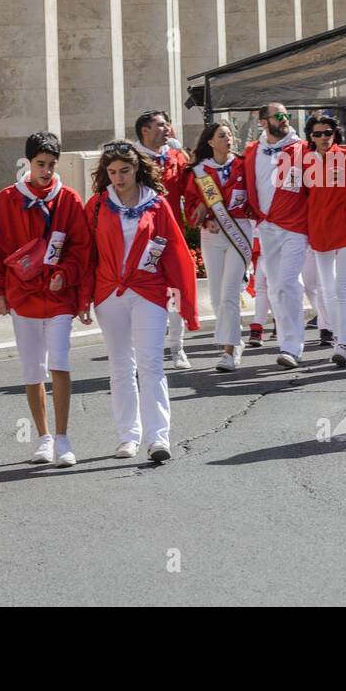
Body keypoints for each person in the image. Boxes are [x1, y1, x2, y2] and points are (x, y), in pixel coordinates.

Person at [0, 131, 90, 467]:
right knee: (32, 370)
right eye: (40, 164)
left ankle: (63, 438)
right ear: (28, 163)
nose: (46, 170)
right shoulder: (6, 200)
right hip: (23, 298)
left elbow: (82, 249)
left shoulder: (69, 200)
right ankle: (42, 438)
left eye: (52, 164)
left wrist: (66, 276)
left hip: (57, 299)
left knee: (60, 362)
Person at [84, 141, 199, 462]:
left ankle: (158, 438)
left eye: (124, 170)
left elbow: (176, 253)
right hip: (109, 294)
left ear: (137, 169)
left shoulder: (157, 205)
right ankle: (127, 436)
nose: (118, 178)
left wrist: (186, 302)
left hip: (149, 291)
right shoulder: (96, 205)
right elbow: (85, 255)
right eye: (111, 172)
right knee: (121, 366)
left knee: (151, 365)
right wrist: (82, 297)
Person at [242, 102, 311, 368]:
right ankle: (286, 341)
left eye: (286, 115)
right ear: (263, 122)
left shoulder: (302, 149)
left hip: (294, 227)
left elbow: (325, 180)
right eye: (279, 116)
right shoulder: (252, 152)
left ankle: (292, 346)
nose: (285, 120)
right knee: (273, 288)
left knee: (287, 284)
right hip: (267, 228)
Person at [184, 121, 253, 373]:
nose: (228, 139)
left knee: (229, 294)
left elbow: (253, 196)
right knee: (216, 296)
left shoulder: (243, 165)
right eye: (222, 135)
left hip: (239, 232)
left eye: (230, 135)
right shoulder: (200, 171)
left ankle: (230, 350)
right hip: (212, 235)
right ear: (211, 142)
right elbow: (191, 206)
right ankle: (235, 339)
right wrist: (204, 217)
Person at [303, 114, 346, 367]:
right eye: (317, 134)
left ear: (335, 134)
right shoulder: (304, 162)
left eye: (327, 133)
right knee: (326, 290)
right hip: (319, 230)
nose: (323, 138)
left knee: (341, 289)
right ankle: (334, 332)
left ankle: (342, 343)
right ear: (310, 137)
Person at [133, 110, 192, 370]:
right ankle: (141, 352)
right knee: (141, 295)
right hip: (140, 238)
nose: (167, 128)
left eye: (167, 124)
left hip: (172, 235)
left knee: (176, 290)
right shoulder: (131, 159)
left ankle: (177, 348)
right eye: (160, 124)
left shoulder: (176, 156)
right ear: (145, 130)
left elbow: (191, 188)